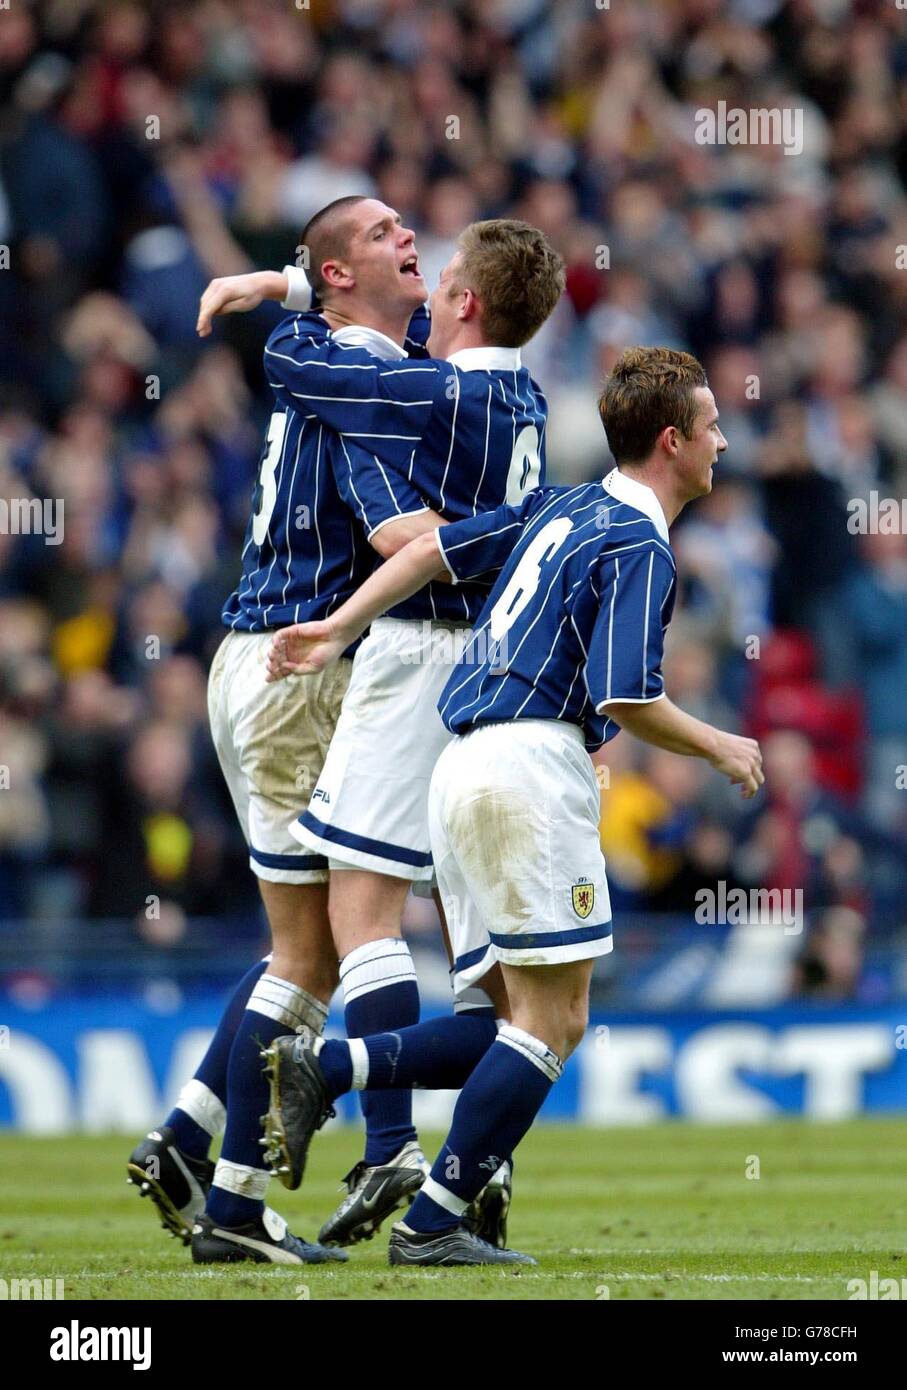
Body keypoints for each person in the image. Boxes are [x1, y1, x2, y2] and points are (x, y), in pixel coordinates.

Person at [128, 197, 565, 1260]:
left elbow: (355, 342)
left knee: (312, 943)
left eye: (414, 234)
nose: (407, 237)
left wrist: (275, 289)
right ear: (340, 274)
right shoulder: (366, 384)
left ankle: (196, 1144)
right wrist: (499, 549)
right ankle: (369, 1148)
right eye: (381, 234)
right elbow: (396, 527)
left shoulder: (369, 364)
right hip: (300, 658)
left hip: (276, 655)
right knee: (332, 941)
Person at [261, 346, 764, 1266]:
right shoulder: (640, 545)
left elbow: (432, 551)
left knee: (498, 1022)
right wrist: (722, 743)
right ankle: (432, 1223)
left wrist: (338, 625)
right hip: (531, 767)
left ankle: (329, 1066)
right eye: (711, 426)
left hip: (455, 767)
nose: (723, 443)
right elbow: (623, 696)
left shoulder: (563, 504)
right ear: (671, 441)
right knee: (555, 1019)